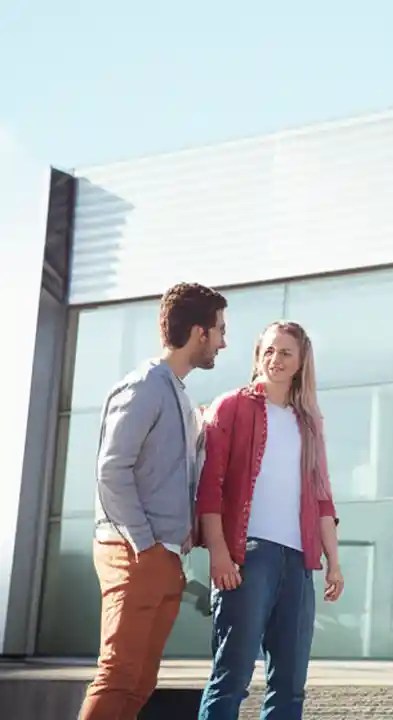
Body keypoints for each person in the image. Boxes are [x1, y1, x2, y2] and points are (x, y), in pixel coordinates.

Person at [80, 282, 227, 720]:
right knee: (118, 675)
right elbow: (111, 470)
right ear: (199, 332)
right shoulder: (144, 386)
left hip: (162, 555)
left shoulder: (179, 395)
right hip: (132, 550)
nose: (223, 341)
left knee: (140, 680)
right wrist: (144, 544)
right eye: (220, 330)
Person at [194, 321, 344, 720]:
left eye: (286, 353)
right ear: (258, 354)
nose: (275, 360)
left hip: (298, 563)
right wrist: (219, 554)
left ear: (300, 363)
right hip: (248, 558)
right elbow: (209, 488)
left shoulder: (309, 423)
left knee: (290, 687)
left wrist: (334, 561)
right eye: (269, 350)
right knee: (231, 679)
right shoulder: (231, 406)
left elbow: (322, 497)